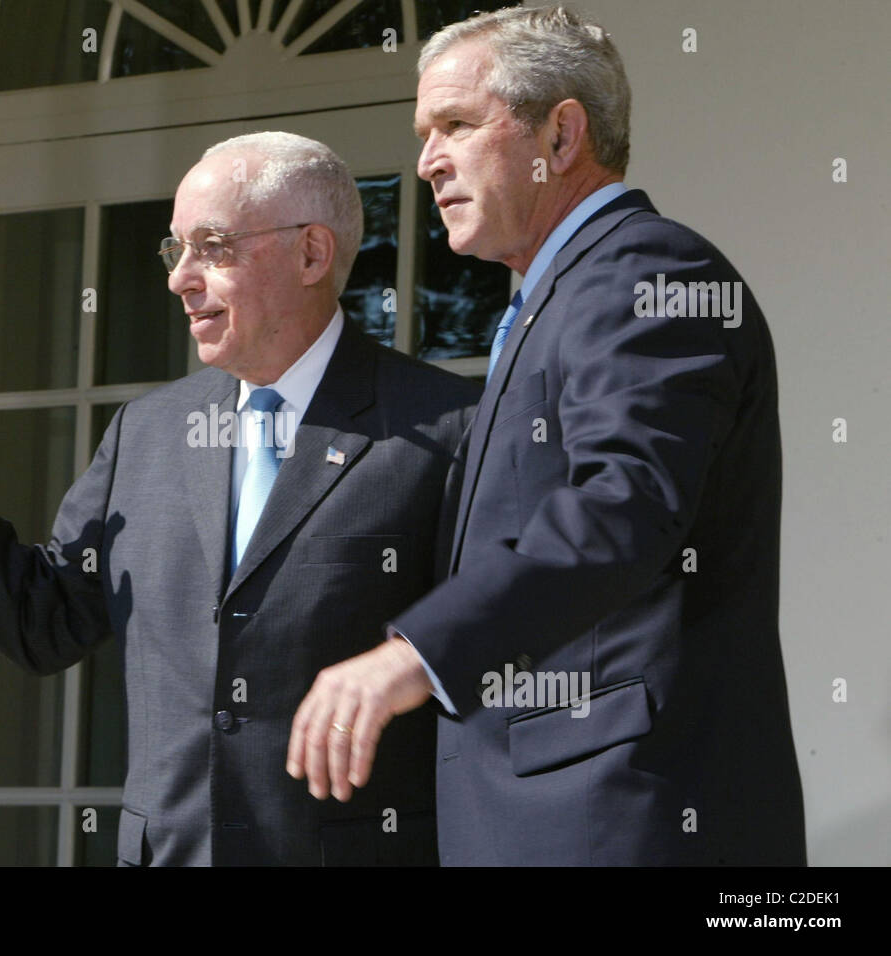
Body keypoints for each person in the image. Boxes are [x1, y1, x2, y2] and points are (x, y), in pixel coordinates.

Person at [0, 131, 482, 865]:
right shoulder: (148, 432)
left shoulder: (448, 430)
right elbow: (44, 617)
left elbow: (501, 650)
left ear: (312, 254)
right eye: (174, 249)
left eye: (211, 246)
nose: (180, 277)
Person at [286, 7, 806, 865]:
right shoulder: (552, 301)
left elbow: (624, 506)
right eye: (425, 134)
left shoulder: (648, 273)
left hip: (623, 822)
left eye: (456, 124)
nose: (427, 161)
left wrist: (414, 654)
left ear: (561, 137)